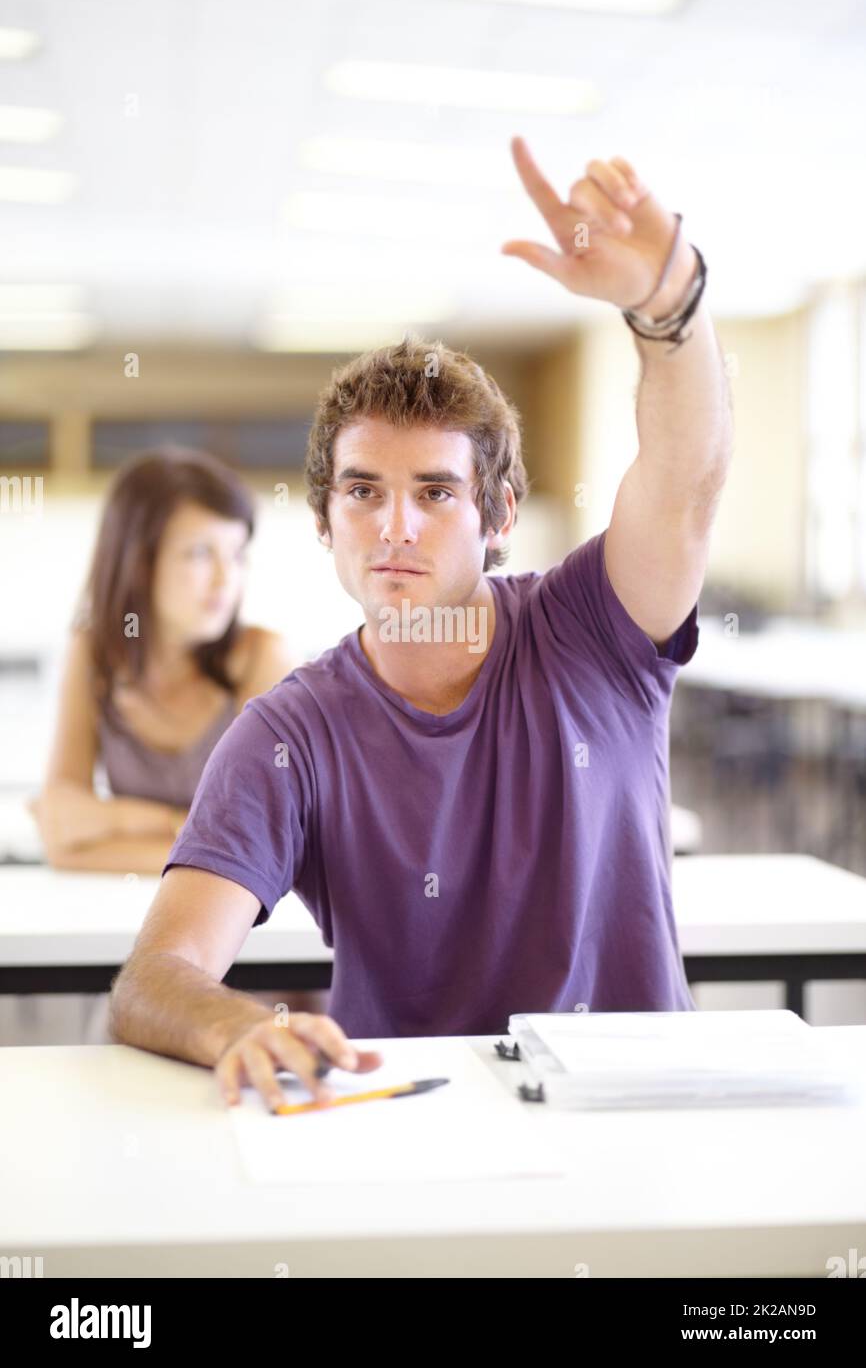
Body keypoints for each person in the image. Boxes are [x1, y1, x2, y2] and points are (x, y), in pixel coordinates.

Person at [109, 143, 733, 1112]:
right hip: (410, 1125)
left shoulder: (594, 630)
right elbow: (156, 973)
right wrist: (237, 1021)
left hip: (639, 1116)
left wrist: (669, 305)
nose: (393, 525)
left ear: (498, 515)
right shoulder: (288, 736)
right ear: (324, 522)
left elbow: (685, 481)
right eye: (362, 491)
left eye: (435, 492)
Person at [28, 447, 324, 1027]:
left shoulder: (261, 658)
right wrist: (180, 826)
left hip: (258, 945)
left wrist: (112, 822)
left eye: (237, 555)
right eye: (199, 554)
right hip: (146, 934)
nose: (225, 579)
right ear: (138, 563)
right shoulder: (93, 655)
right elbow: (62, 830)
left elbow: (264, 859)